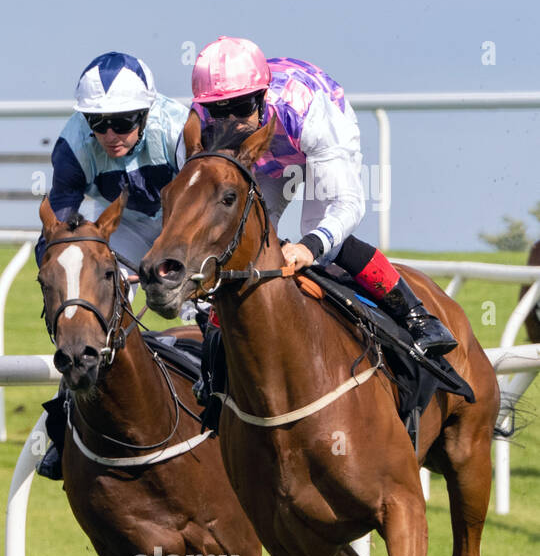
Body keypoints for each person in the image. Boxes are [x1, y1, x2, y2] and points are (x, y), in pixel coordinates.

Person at [187, 37, 456, 357]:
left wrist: (308, 246)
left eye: (242, 107)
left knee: (320, 233)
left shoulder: (306, 112)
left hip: (314, 131)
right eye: (220, 111)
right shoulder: (198, 122)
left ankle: (419, 318)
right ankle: (219, 337)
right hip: (264, 157)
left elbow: (348, 204)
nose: (232, 123)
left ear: (260, 97)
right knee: (248, 233)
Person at [36, 52, 191, 478]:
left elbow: (206, 203)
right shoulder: (73, 143)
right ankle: (63, 425)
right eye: (97, 123)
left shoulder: (178, 130)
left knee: (212, 315)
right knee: (87, 300)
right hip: (125, 228)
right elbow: (60, 229)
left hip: (187, 231)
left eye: (122, 122)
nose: (109, 134)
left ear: (146, 112)